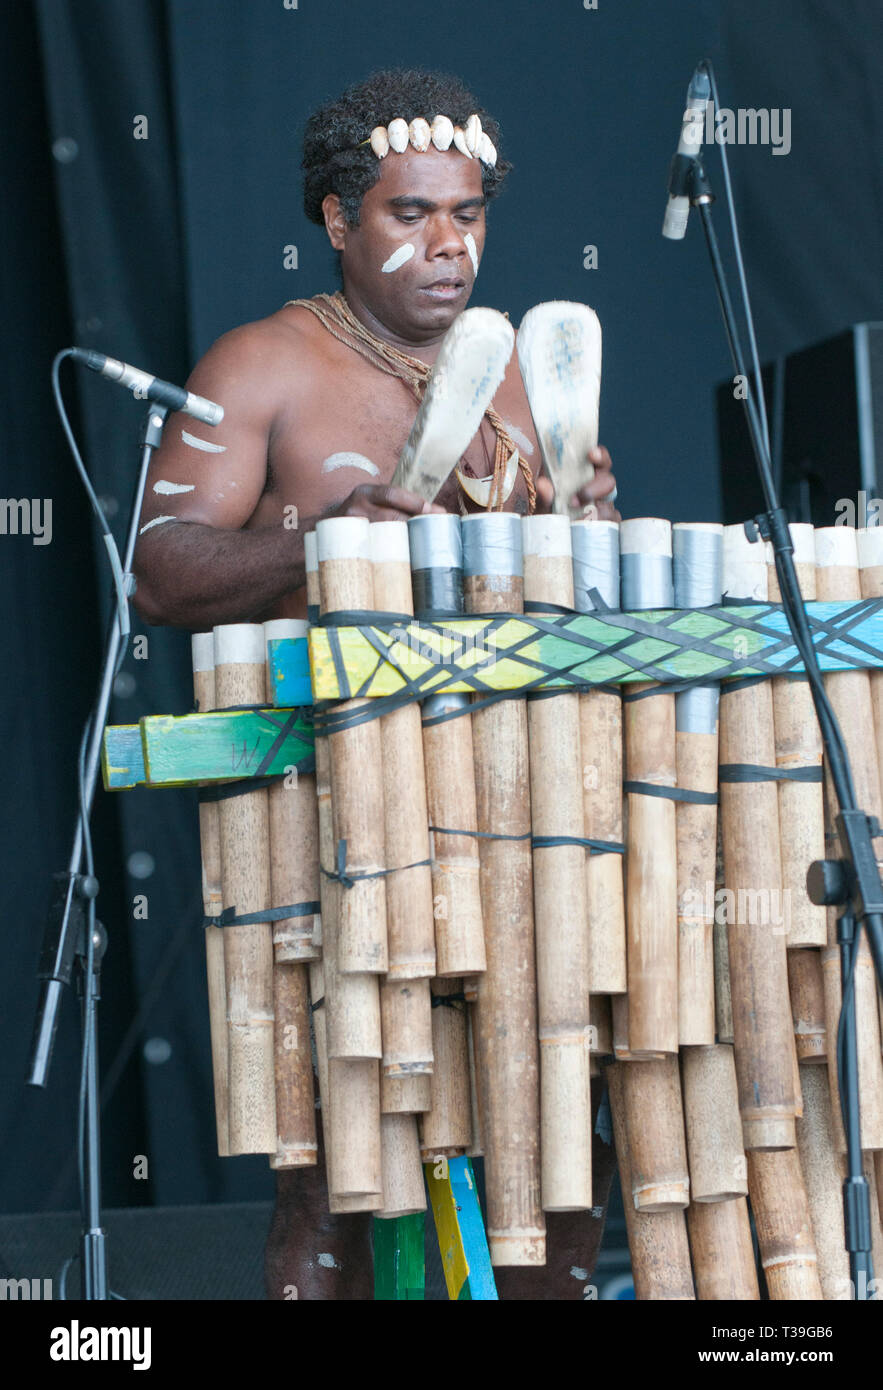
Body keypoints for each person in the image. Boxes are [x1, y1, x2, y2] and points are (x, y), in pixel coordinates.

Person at [133, 68, 619, 1300]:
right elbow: (158, 569)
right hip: (334, 822)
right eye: (410, 213)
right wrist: (330, 536)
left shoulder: (515, 374)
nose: (447, 244)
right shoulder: (261, 364)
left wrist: (591, 525)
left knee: (557, 1152)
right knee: (343, 1163)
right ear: (340, 221)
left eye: (468, 214)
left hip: (526, 808)